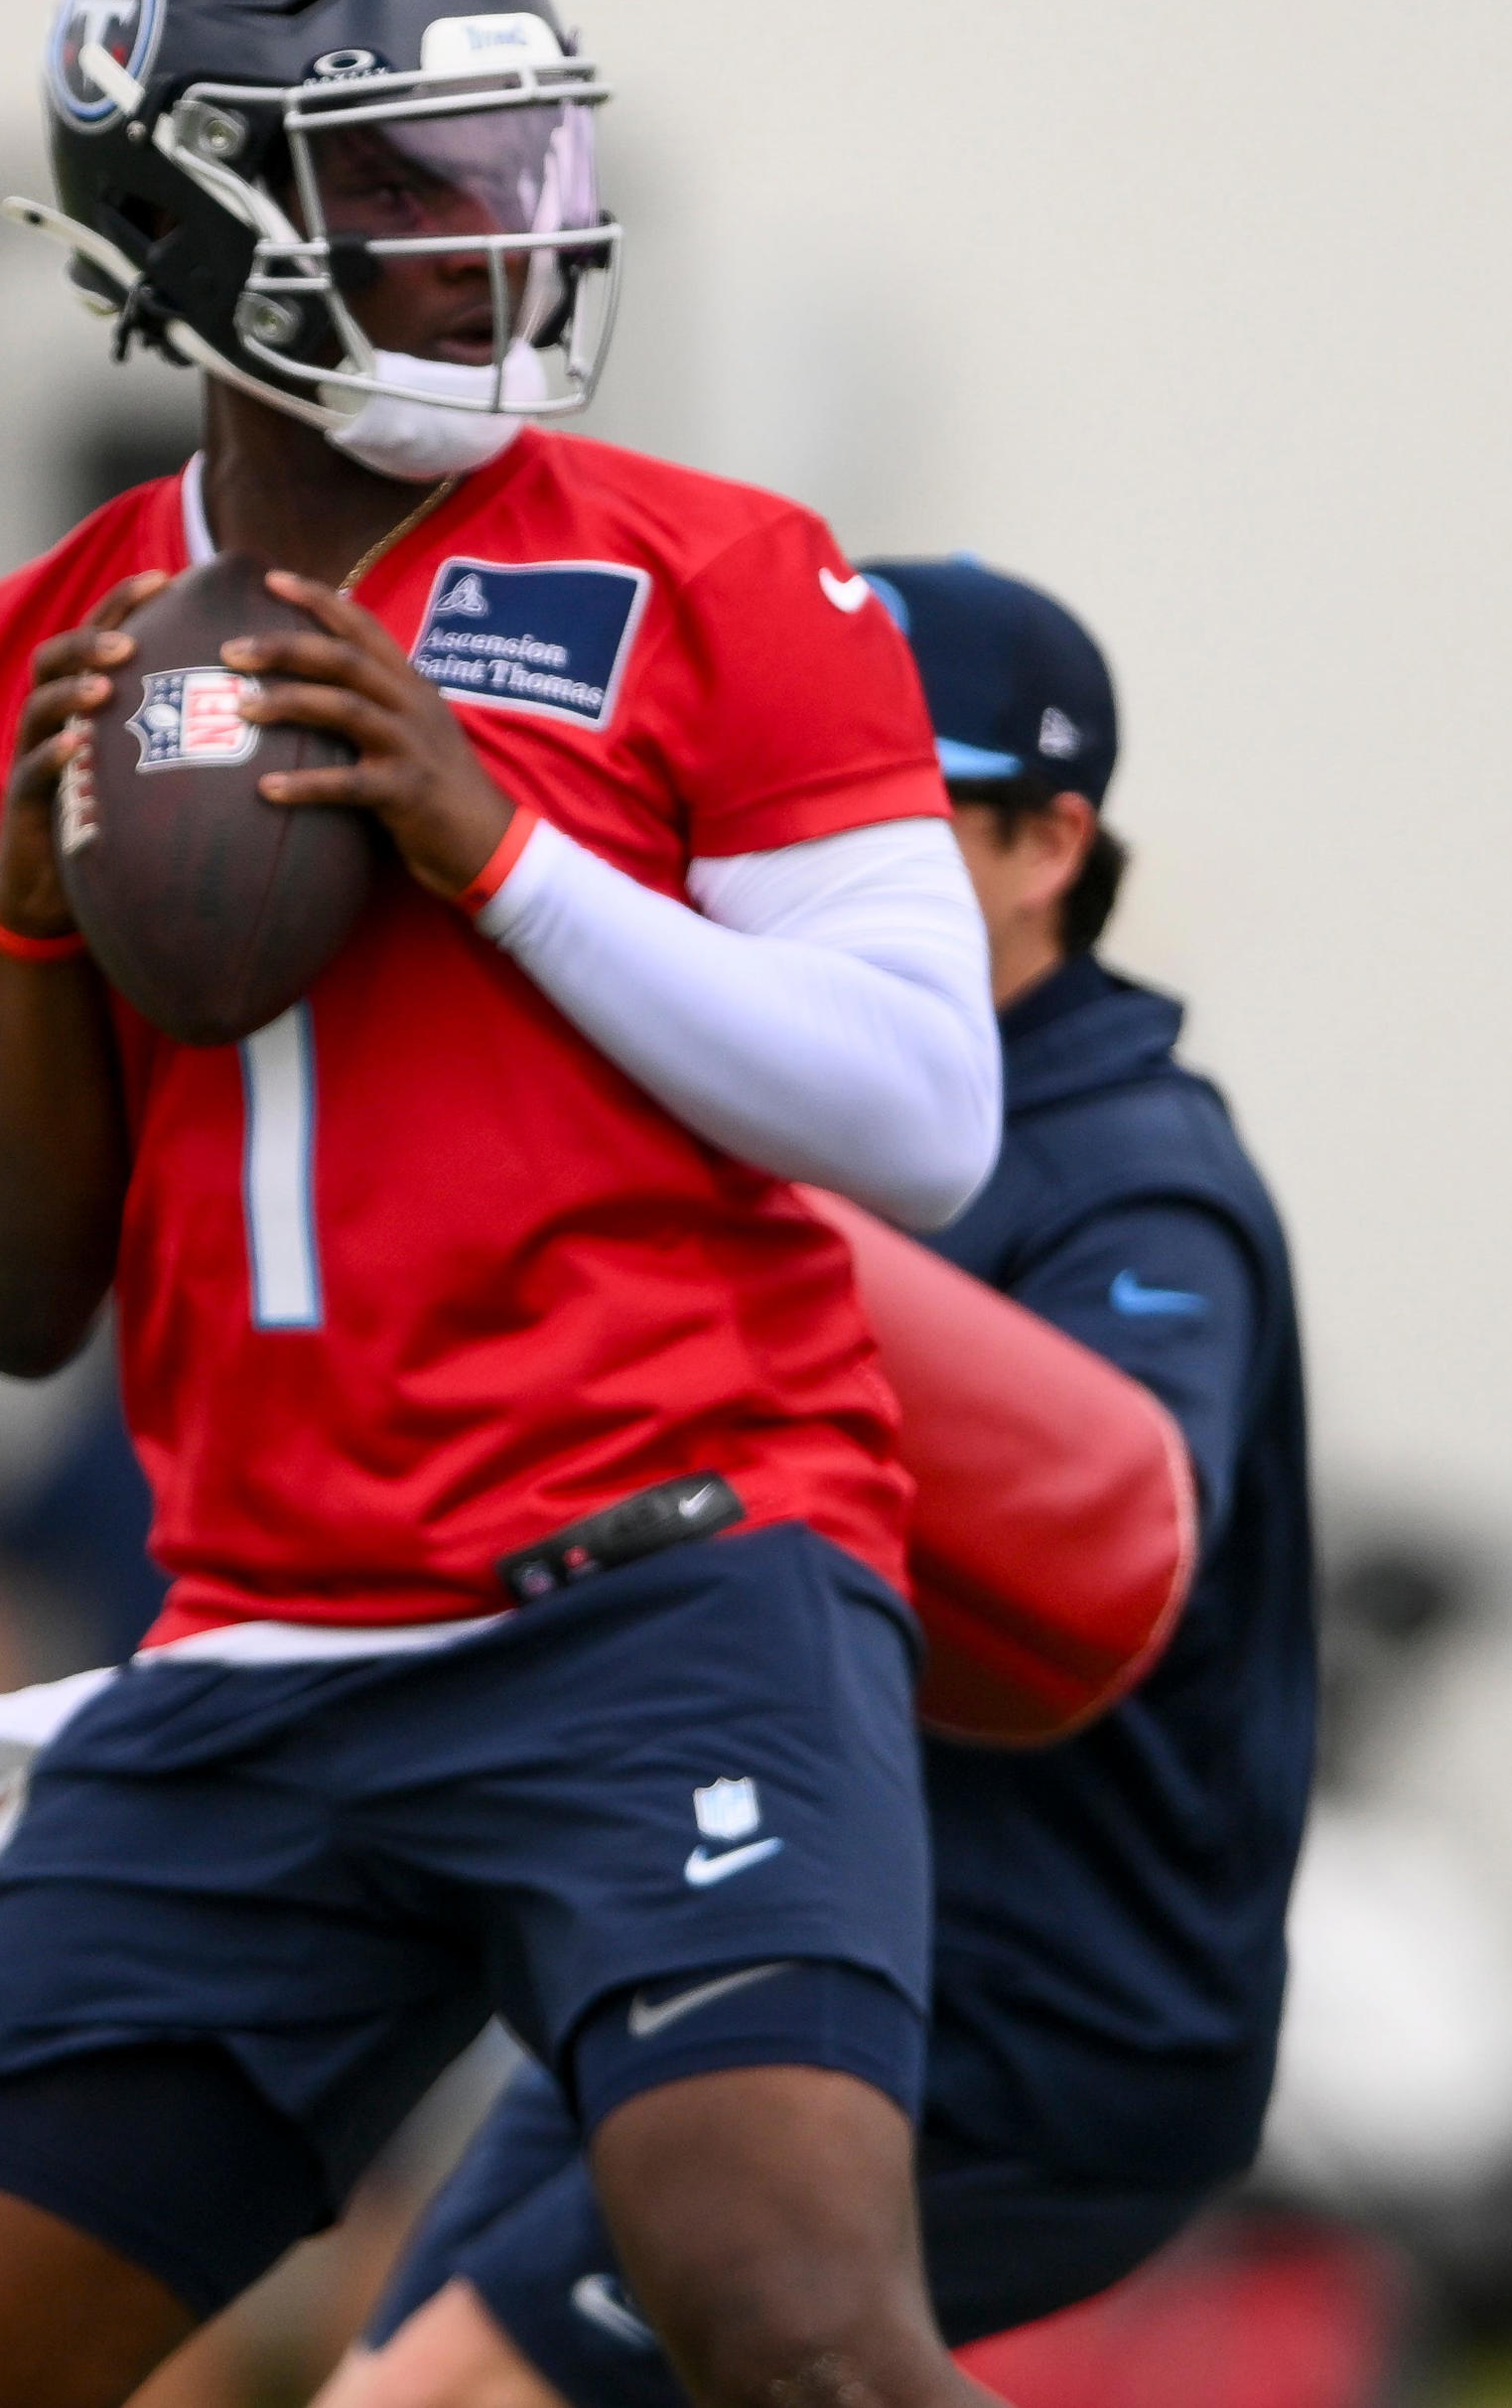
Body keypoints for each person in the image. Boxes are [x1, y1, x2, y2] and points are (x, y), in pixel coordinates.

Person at [0, 0, 1015, 2408]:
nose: (487, 236)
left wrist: (497, 848)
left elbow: (920, 1114)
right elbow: (1, 1297)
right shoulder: (8, 661)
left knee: (791, 2324)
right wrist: (27, 924)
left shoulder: (723, 578)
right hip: (256, 1652)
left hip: (663, 1593)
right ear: (190, 206)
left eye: (508, 167)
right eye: (396, 181)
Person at [327, 557, 1315, 2408]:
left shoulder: (1134, 1176)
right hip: (738, 1940)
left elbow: (1112, 1542)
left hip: (1034, 2023)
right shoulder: (749, 1109)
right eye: (792, 809)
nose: (809, 861)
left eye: (896, 812)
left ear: (1049, 845)